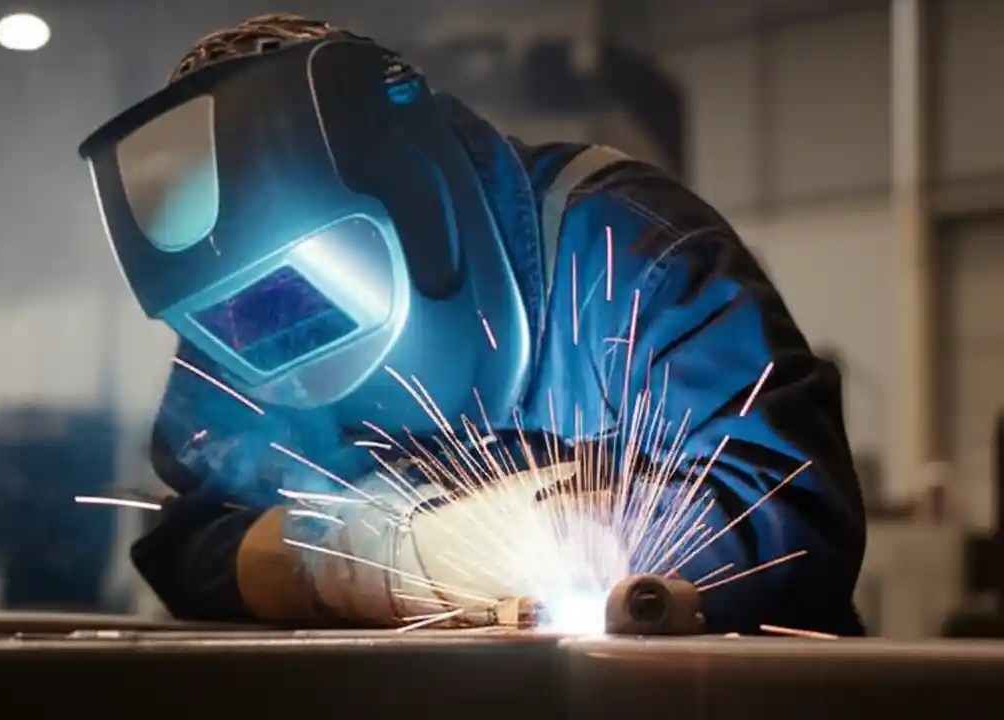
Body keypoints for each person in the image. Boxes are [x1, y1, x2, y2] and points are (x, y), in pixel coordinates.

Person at [77, 13, 866, 635]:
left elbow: (792, 507)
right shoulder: (237, 319)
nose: (289, 329)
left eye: (310, 276)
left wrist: (591, 544)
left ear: (417, 195)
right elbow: (193, 540)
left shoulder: (621, 247)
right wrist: (368, 560)